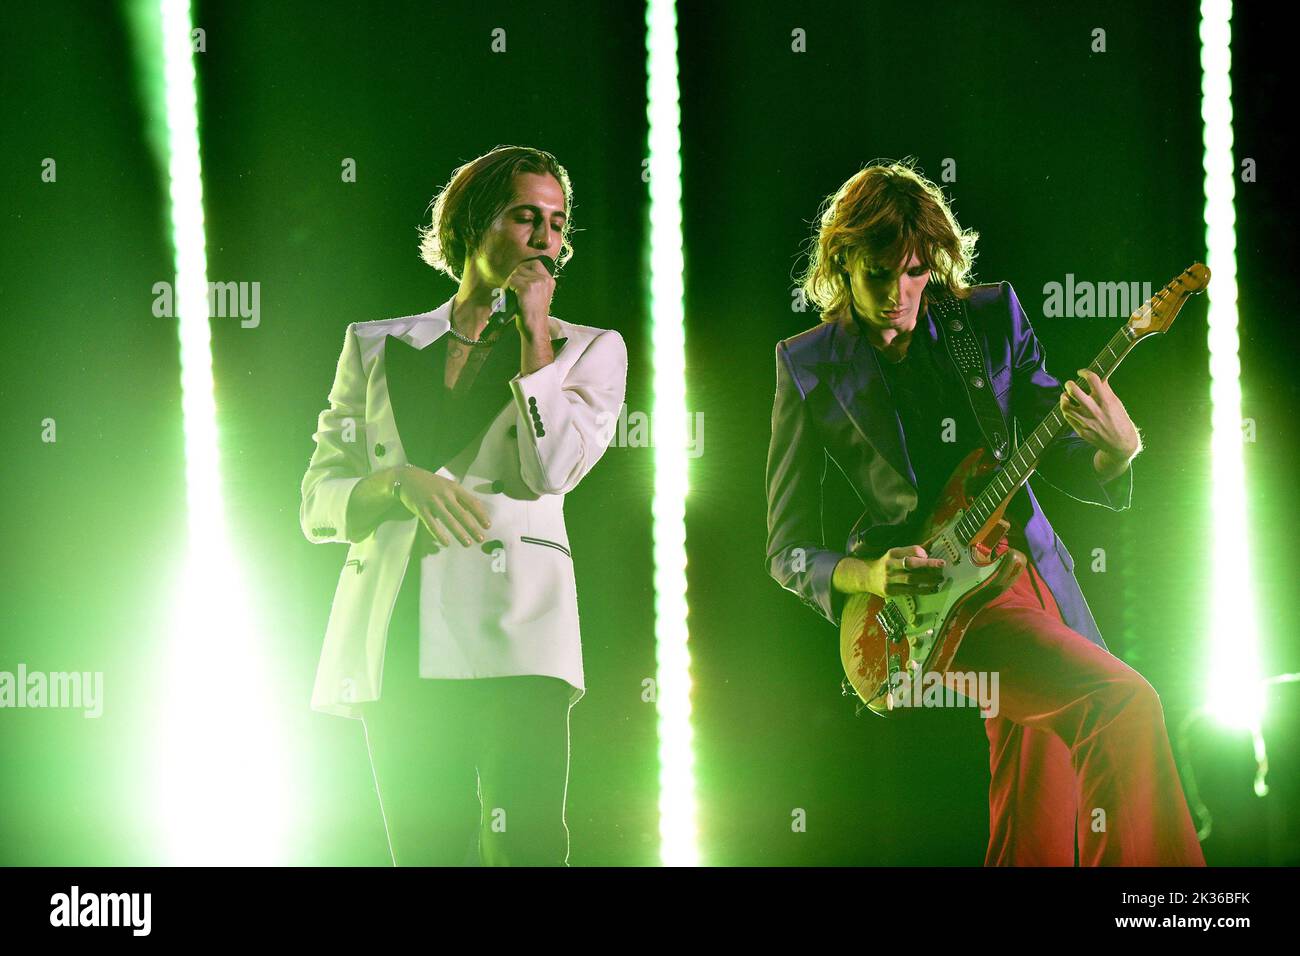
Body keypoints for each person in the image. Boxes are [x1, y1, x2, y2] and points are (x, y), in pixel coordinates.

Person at [765, 159, 1205, 866]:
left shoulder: (988, 317)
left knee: (1037, 795)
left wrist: (1115, 455)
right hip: (936, 604)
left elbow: (1049, 441)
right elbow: (786, 551)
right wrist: (870, 574)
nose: (900, 294)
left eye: (915, 273)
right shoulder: (807, 364)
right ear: (840, 262)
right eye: (879, 273)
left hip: (1028, 574)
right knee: (1121, 707)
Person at [300, 145, 628, 865]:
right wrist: (395, 485)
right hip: (400, 630)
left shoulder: (590, 350)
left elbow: (550, 472)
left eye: (557, 222)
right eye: (525, 216)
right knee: (425, 853)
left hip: (519, 631)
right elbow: (316, 502)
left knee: (530, 849)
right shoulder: (375, 345)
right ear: (474, 224)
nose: (545, 238)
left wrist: (534, 338)